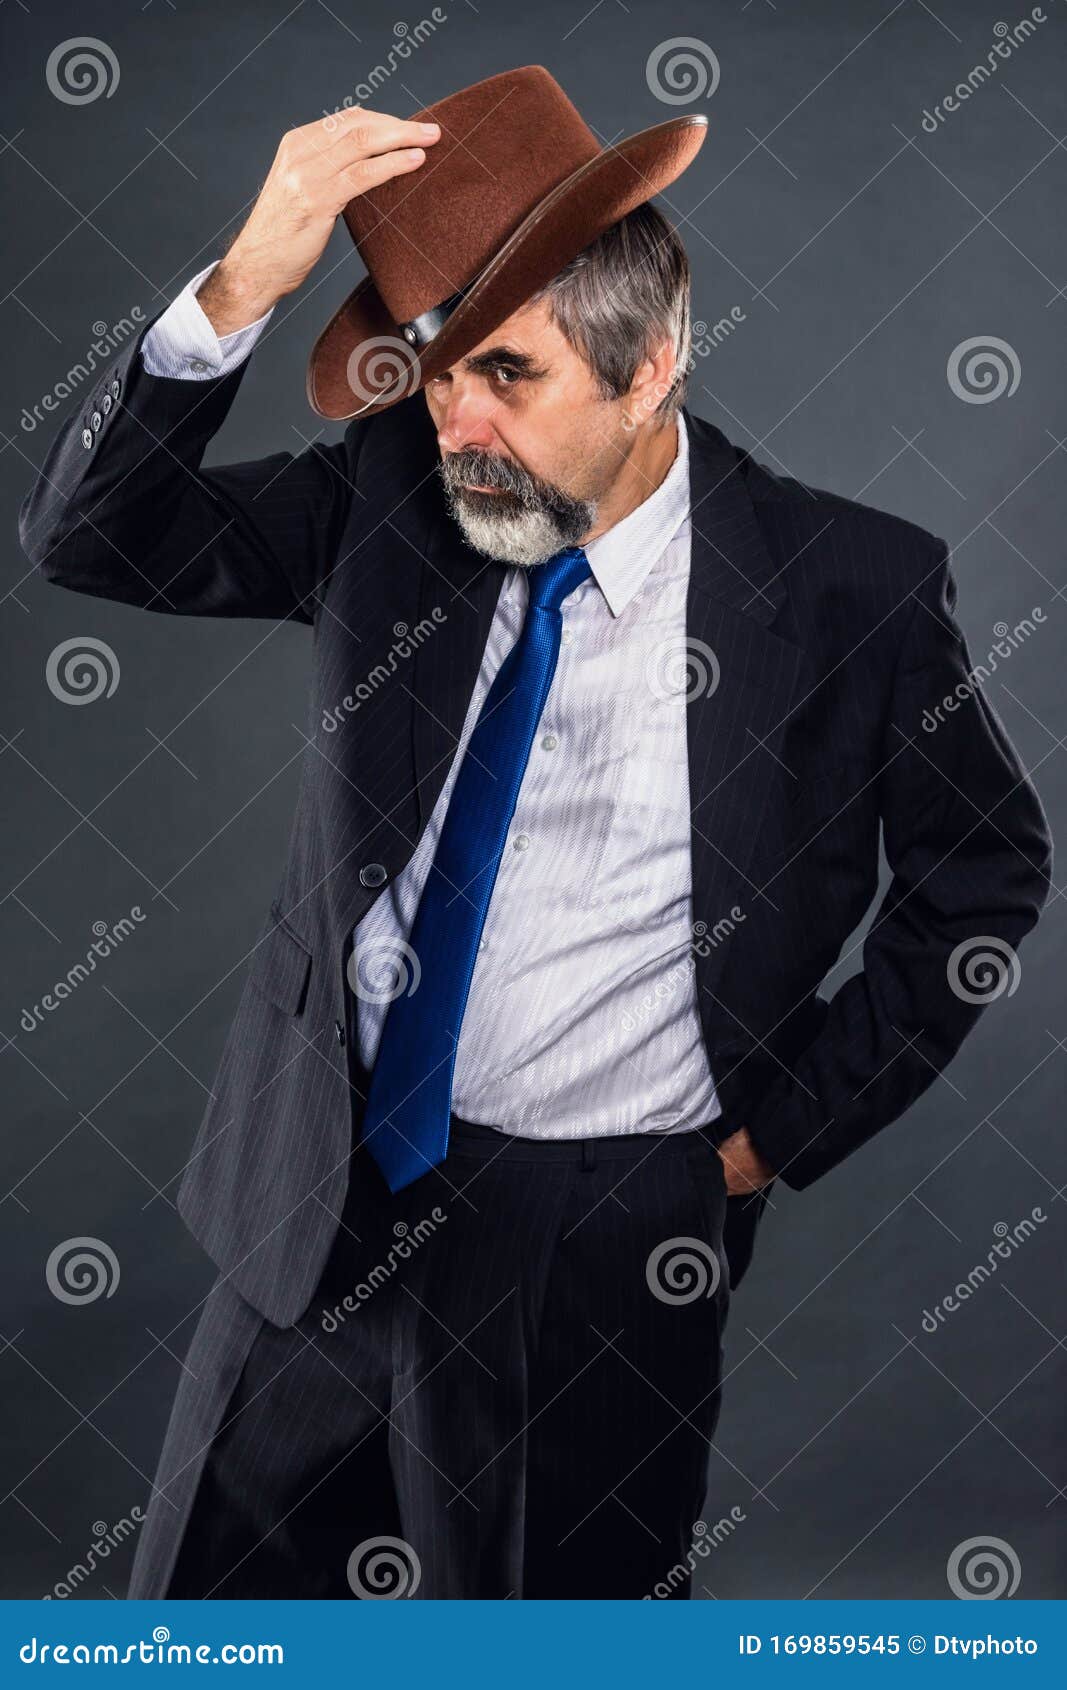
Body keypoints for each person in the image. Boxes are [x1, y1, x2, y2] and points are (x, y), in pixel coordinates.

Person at [19, 67, 1051, 1600]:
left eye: (508, 374)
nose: (458, 424)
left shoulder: (853, 588)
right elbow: (92, 535)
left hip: (598, 1241)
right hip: (318, 1193)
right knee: (202, 1624)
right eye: (434, 372)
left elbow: (984, 876)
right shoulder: (390, 501)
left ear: (654, 371)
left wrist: (774, 1138)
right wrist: (246, 277)